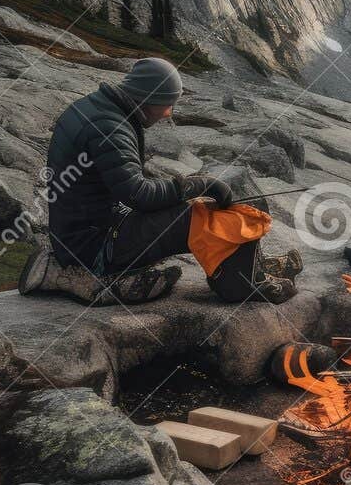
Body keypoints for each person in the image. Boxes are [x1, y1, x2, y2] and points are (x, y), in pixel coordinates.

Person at [19, 57, 298, 305]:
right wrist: (198, 185)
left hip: (86, 232)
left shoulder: (98, 108)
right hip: (96, 247)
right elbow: (138, 195)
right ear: (148, 96)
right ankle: (243, 283)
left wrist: (184, 190)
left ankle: (249, 266)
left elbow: (123, 185)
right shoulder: (110, 128)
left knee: (195, 206)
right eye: (168, 104)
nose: (169, 113)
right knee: (200, 217)